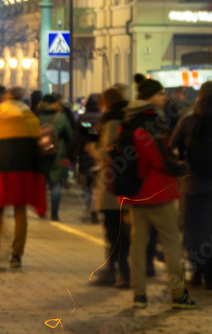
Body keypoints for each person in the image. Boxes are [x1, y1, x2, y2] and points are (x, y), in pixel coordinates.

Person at [122, 78, 195, 311]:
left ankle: (139, 295)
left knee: (138, 244)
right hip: (159, 193)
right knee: (172, 243)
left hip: (135, 192)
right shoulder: (153, 122)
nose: (165, 98)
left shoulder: (128, 121)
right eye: (161, 94)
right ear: (150, 97)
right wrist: (180, 167)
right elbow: (159, 160)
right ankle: (178, 294)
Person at [0, 86, 46, 268]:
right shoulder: (31, 119)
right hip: (23, 169)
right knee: (20, 210)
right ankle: (16, 254)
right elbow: (37, 144)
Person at [171, 80, 212, 290]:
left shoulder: (188, 120)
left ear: (200, 96)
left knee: (193, 230)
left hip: (192, 186)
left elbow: (171, 147)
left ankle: (195, 273)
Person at [91, 86, 130, 287]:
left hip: (113, 183)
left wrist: (92, 148)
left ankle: (118, 273)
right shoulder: (127, 117)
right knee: (121, 230)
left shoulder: (112, 120)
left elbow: (108, 153)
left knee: (114, 230)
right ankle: (118, 271)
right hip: (127, 183)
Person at [37, 94, 73, 222]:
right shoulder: (61, 117)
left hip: (40, 154)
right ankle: (54, 213)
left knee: (41, 184)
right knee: (56, 184)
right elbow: (70, 136)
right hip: (58, 154)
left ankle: (41, 211)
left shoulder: (37, 117)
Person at [72, 94, 102, 223]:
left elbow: (77, 137)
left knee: (87, 185)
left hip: (85, 153)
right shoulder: (104, 118)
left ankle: (89, 209)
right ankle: (96, 209)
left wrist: (72, 156)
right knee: (99, 183)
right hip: (100, 153)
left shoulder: (82, 118)